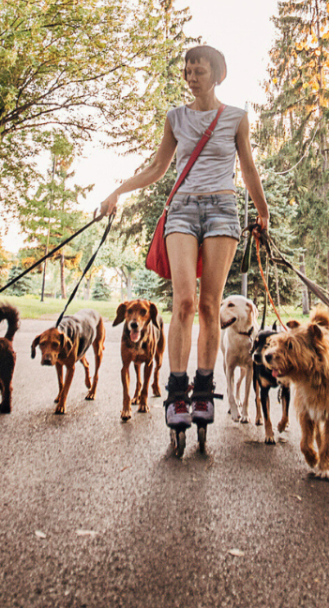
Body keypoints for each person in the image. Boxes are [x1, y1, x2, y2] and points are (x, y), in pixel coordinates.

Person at [98, 44, 269, 444]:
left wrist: (262, 213)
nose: (192, 77)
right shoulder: (175, 118)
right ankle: (178, 392)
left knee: (211, 305)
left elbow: (247, 168)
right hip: (182, 210)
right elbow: (158, 168)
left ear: (218, 75)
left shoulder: (237, 118)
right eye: (188, 71)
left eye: (200, 71)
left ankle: (204, 389)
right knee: (184, 303)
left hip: (223, 211)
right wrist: (117, 192)